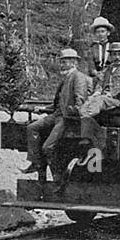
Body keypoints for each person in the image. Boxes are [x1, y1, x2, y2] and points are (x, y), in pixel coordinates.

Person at [22, 48, 92, 180]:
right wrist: (42, 109)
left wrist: (74, 115)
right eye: (62, 62)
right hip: (56, 115)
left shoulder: (78, 77)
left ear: (74, 63)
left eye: (66, 62)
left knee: (48, 146)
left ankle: (58, 175)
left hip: (66, 118)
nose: (62, 64)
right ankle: (36, 163)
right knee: (32, 128)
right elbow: (59, 102)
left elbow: (80, 100)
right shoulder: (66, 78)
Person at [79, 41, 120, 155]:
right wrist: (97, 92)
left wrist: (111, 94)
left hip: (117, 100)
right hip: (103, 98)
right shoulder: (108, 69)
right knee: (90, 100)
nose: (117, 57)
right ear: (110, 56)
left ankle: (87, 122)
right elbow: (100, 83)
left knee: (99, 101)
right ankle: (85, 125)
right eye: (114, 54)